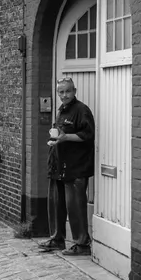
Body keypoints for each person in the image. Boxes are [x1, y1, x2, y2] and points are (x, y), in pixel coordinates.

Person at [38, 77, 95, 256]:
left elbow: (87, 135)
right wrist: (55, 141)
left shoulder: (82, 110)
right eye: (61, 92)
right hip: (58, 166)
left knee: (75, 207)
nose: (64, 95)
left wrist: (65, 138)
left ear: (74, 91)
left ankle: (82, 244)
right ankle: (57, 239)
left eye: (68, 91)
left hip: (75, 167)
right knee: (56, 205)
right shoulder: (61, 110)